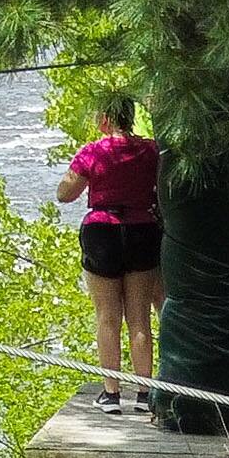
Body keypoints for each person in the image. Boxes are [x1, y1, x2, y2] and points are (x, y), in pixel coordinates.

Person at [56, 97, 163, 411]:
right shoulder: (150, 150)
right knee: (139, 318)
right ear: (131, 117)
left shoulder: (93, 151)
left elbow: (65, 193)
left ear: (104, 119)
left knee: (107, 317)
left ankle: (111, 393)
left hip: (103, 231)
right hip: (143, 230)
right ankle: (144, 394)